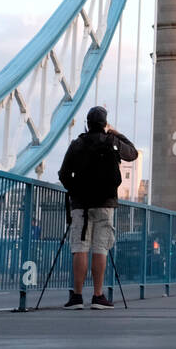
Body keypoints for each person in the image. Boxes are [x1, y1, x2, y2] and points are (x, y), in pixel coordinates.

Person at [57, 105, 137, 310]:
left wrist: (75, 190)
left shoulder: (77, 144)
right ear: (104, 124)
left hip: (81, 204)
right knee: (101, 248)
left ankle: (76, 297)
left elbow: (64, 173)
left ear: (87, 123)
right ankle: (98, 296)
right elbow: (133, 153)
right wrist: (115, 132)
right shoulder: (113, 142)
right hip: (105, 203)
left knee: (80, 248)